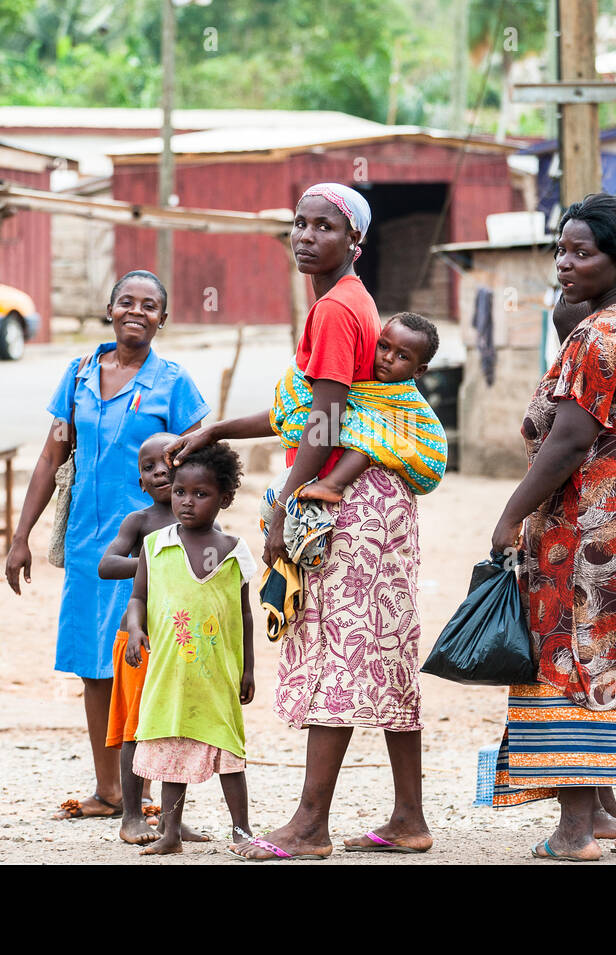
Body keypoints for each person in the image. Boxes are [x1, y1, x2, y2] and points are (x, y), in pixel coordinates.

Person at [170, 183, 433, 860]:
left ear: (355, 243)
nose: (307, 235)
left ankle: (310, 824)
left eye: (325, 226)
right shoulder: (340, 304)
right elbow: (305, 405)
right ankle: (409, 816)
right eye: (300, 222)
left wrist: (288, 496)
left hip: (350, 502)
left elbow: (327, 417)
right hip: (373, 500)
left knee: (337, 657)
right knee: (383, 653)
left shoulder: (338, 308)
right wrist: (221, 427)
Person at [490, 193, 616, 861]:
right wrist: (562, 322)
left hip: (589, 532)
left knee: (570, 664)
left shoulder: (596, 339)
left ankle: (575, 832)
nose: (564, 263)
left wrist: (511, 512)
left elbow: (568, 442)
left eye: (582, 252)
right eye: (561, 249)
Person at [5, 270, 209, 821]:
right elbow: (51, 458)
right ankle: (108, 790)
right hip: (89, 549)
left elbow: (200, 467)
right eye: (126, 302)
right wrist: (20, 536)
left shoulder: (174, 382)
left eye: (149, 305)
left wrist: (198, 539)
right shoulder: (78, 376)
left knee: (141, 662)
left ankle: (146, 790)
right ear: (110, 309)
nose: (136, 311)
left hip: (153, 548)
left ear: (162, 318)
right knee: (94, 666)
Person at [122, 442, 256, 856]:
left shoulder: (234, 550)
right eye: (181, 492)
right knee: (170, 754)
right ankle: (170, 833)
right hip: (169, 673)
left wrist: (248, 670)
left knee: (228, 752)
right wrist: (134, 629)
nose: (187, 502)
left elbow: (244, 615)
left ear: (225, 499)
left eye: (201, 495)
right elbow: (138, 597)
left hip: (217, 674)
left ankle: (242, 831)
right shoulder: (156, 545)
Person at [95, 432, 177, 845]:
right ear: (140, 482)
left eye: (169, 461)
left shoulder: (202, 518)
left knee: (176, 727)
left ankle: (171, 821)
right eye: (149, 467)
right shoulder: (140, 522)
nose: (160, 471)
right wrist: (152, 561)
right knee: (136, 729)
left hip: (183, 639)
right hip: (139, 639)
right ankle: (131, 816)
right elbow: (107, 564)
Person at [296, 311, 444, 505]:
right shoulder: (370, 385)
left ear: (419, 370)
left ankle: (333, 485)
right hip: (406, 457)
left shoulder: (402, 396)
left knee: (369, 434)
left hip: (427, 456)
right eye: (383, 346)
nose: (388, 358)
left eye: (402, 356)